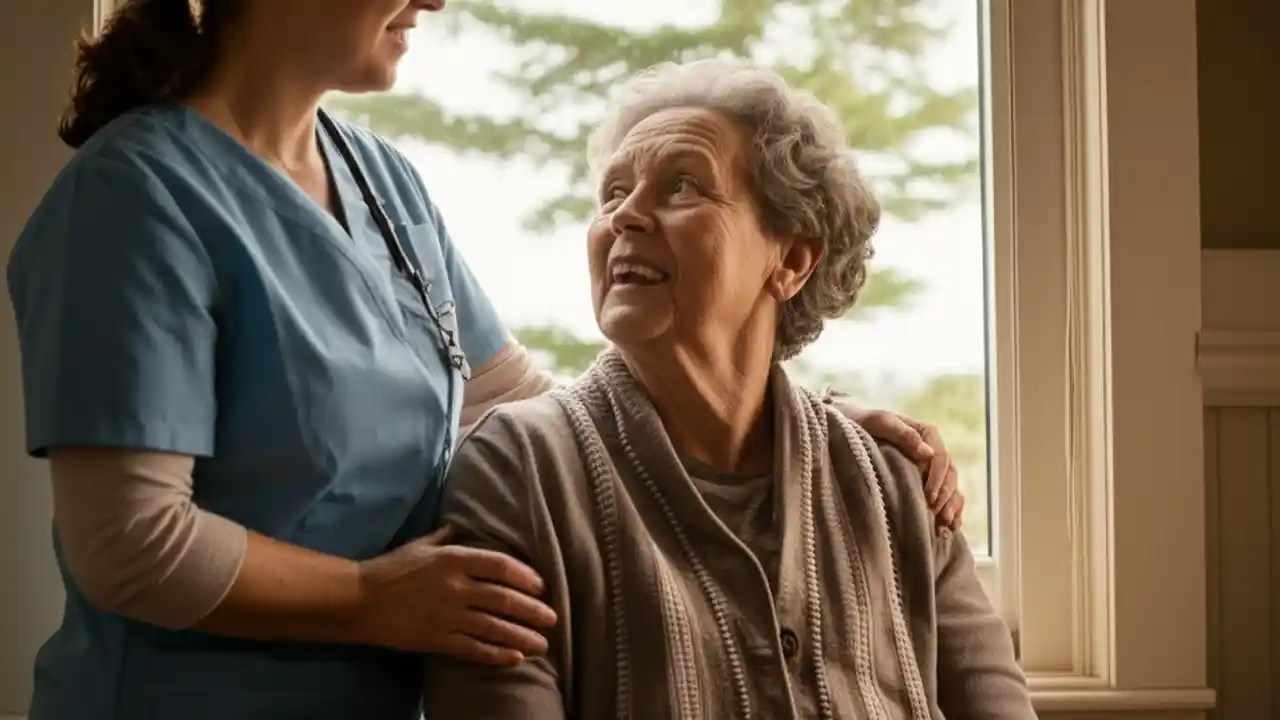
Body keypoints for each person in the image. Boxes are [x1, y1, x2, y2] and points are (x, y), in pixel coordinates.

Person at [6, 1, 965, 719]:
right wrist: (369, 600)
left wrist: (798, 429)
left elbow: (541, 409)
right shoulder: (134, 198)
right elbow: (128, 545)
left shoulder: (382, 183)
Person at [424, 58, 1032, 719]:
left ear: (793, 260)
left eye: (681, 188)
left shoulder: (895, 483)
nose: (625, 217)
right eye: (612, 194)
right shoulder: (518, 472)